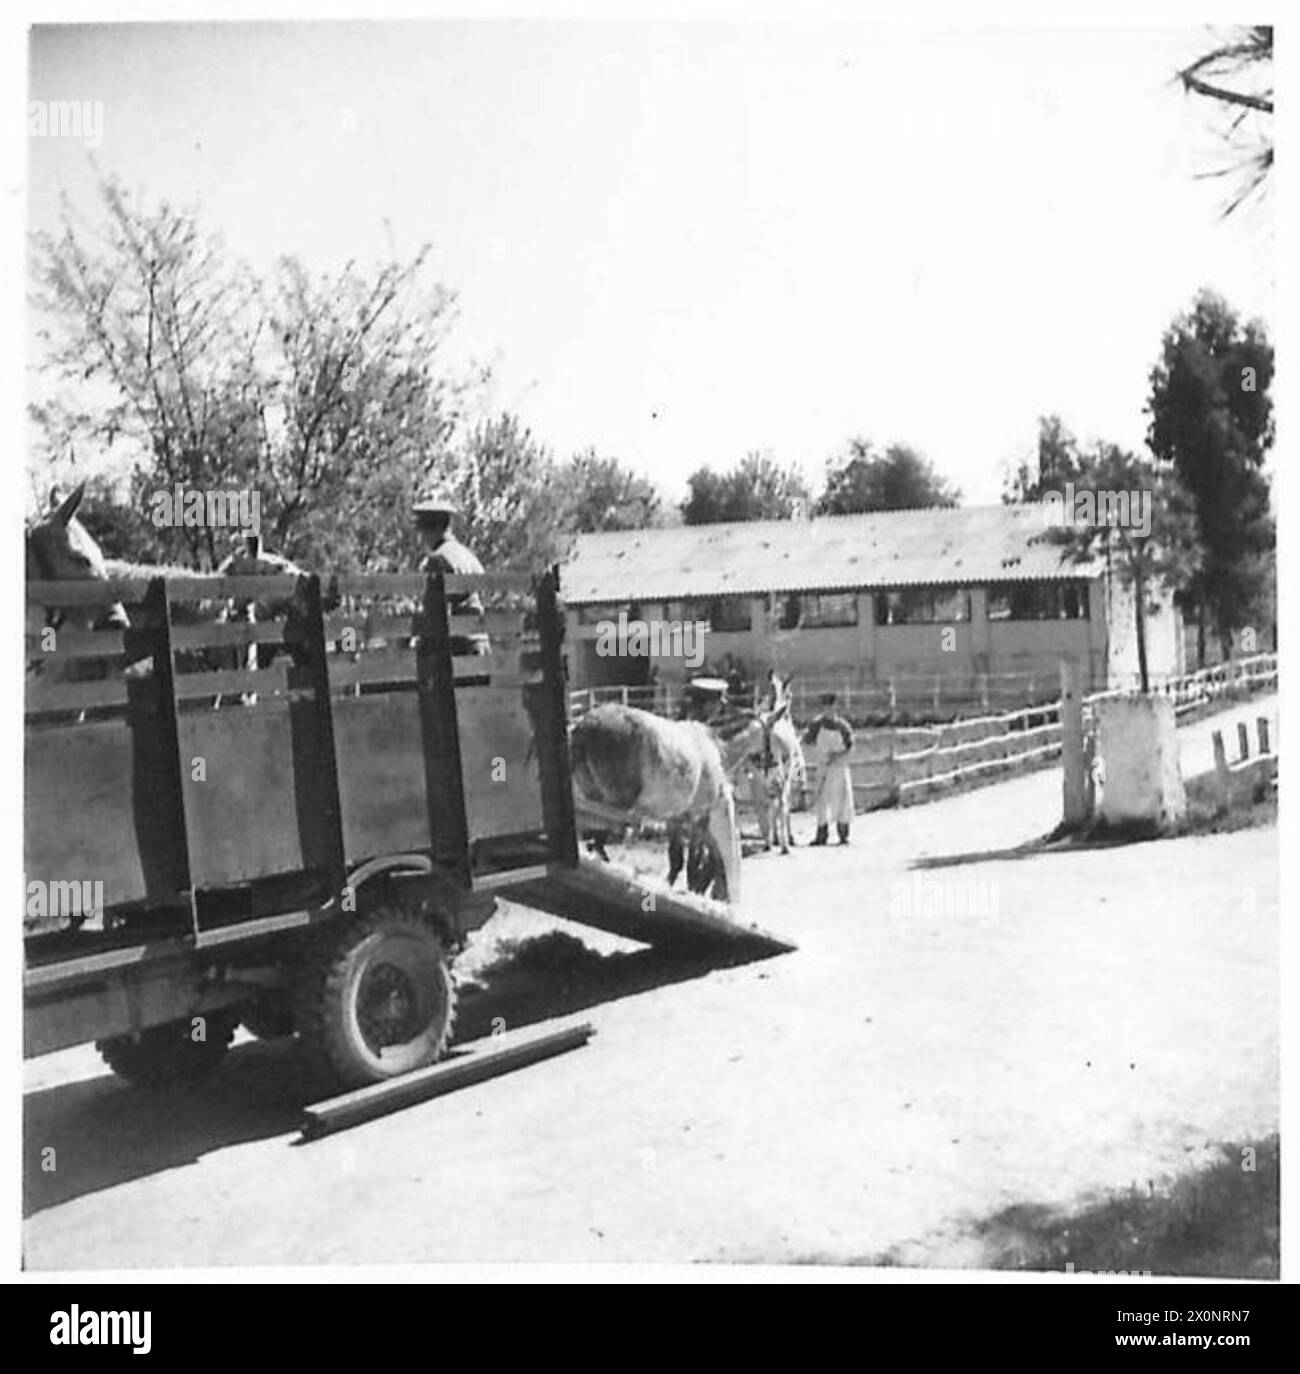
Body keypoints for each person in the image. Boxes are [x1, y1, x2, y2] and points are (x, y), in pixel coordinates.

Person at [412, 494, 490, 658]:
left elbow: (434, 610)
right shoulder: (468, 556)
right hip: (481, 647)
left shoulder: (437, 560)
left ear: (431, 529)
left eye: (422, 529)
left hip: (456, 651)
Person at [804, 691, 854, 845]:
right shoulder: (816, 725)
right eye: (825, 707)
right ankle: (822, 833)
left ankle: (843, 832)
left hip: (839, 768)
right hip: (823, 768)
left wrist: (837, 756)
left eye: (830, 706)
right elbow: (806, 743)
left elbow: (850, 747)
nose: (828, 710)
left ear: (835, 707)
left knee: (843, 802)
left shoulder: (843, 726)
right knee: (822, 802)